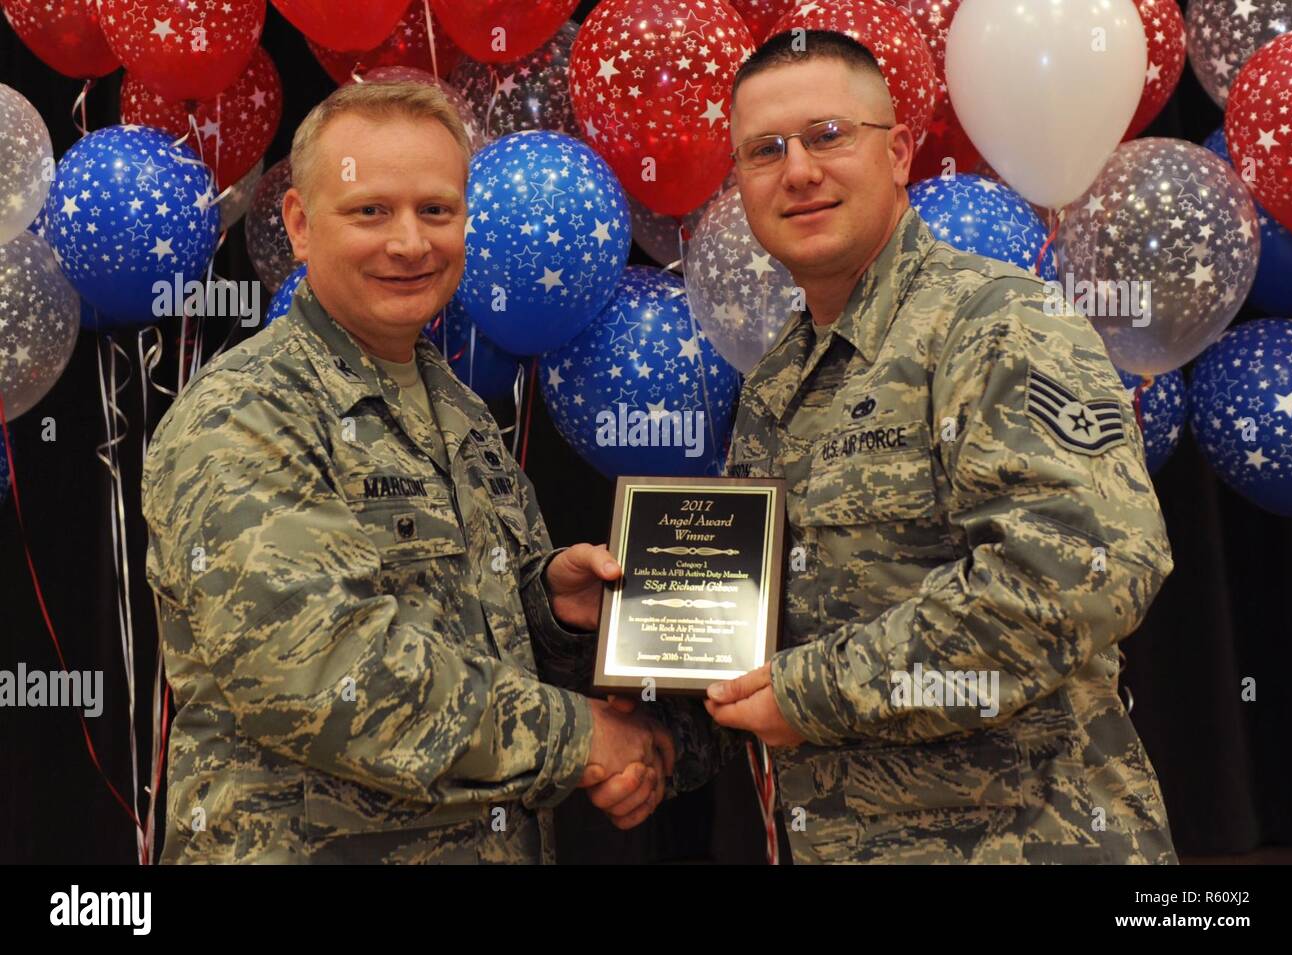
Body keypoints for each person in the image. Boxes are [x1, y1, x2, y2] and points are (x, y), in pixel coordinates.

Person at [140, 81, 671, 864]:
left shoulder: (453, 406)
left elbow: (454, 616)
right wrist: (583, 736)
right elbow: (315, 671)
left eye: (436, 210)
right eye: (370, 211)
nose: (410, 242)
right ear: (298, 225)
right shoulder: (245, 413)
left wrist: (547, 602)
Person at [700, 30, 1178, 863]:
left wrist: (810, 693)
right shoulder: (777, 380)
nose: (799, 171)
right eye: (764, 150)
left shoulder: (999, 321)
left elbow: (1083, 576)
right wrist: (652, 713)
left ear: (900, 152)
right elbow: (766, 629)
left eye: (827, 136)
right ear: (740, 182)